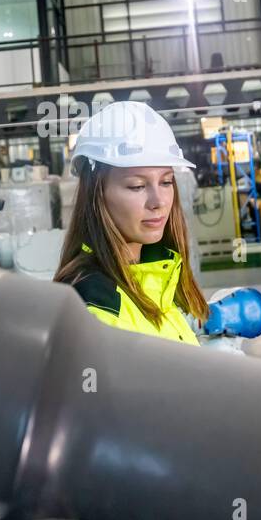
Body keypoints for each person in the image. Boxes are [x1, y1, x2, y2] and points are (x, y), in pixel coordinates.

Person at [54, 100, 209, 345]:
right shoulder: (97, 305)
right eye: (137, 186)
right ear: (97, 195)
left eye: (166, 182)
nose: (158, 201)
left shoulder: (158, 277)